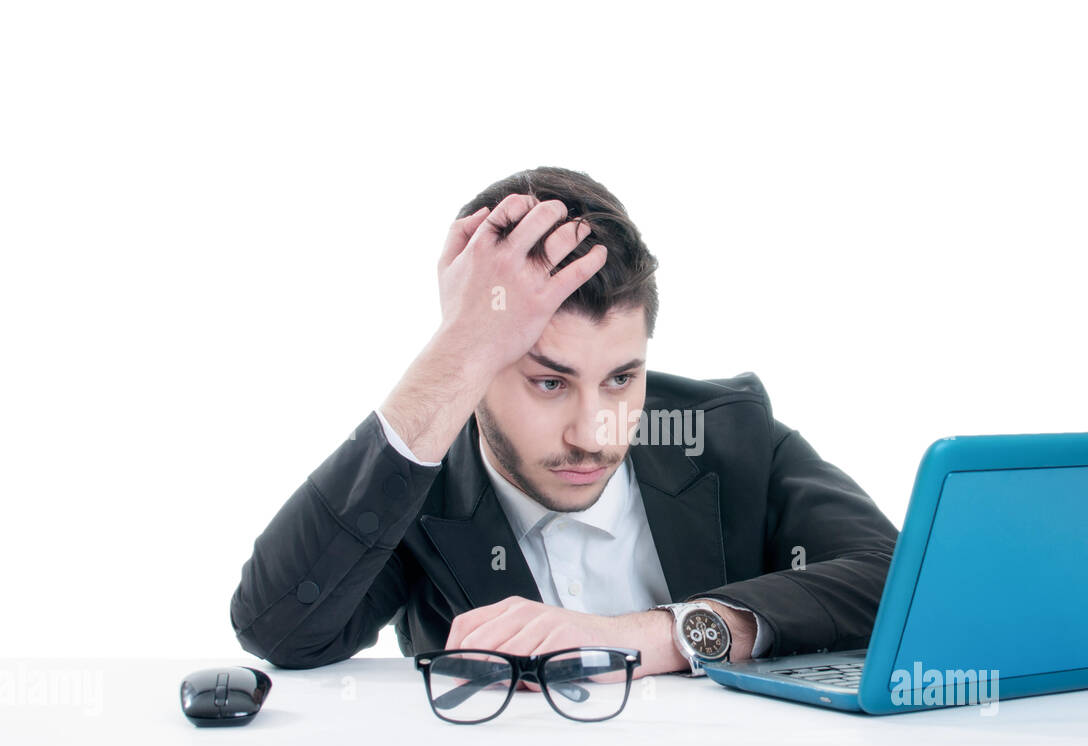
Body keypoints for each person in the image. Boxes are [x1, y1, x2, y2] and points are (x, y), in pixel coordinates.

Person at [230, 166, 899, 677]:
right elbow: (279, 628)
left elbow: (900, 579)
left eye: (620, 379)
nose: (594, 431)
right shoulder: (417, 489)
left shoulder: (729, 434)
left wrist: (661, 633)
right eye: (549, 382)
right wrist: (457, 347)